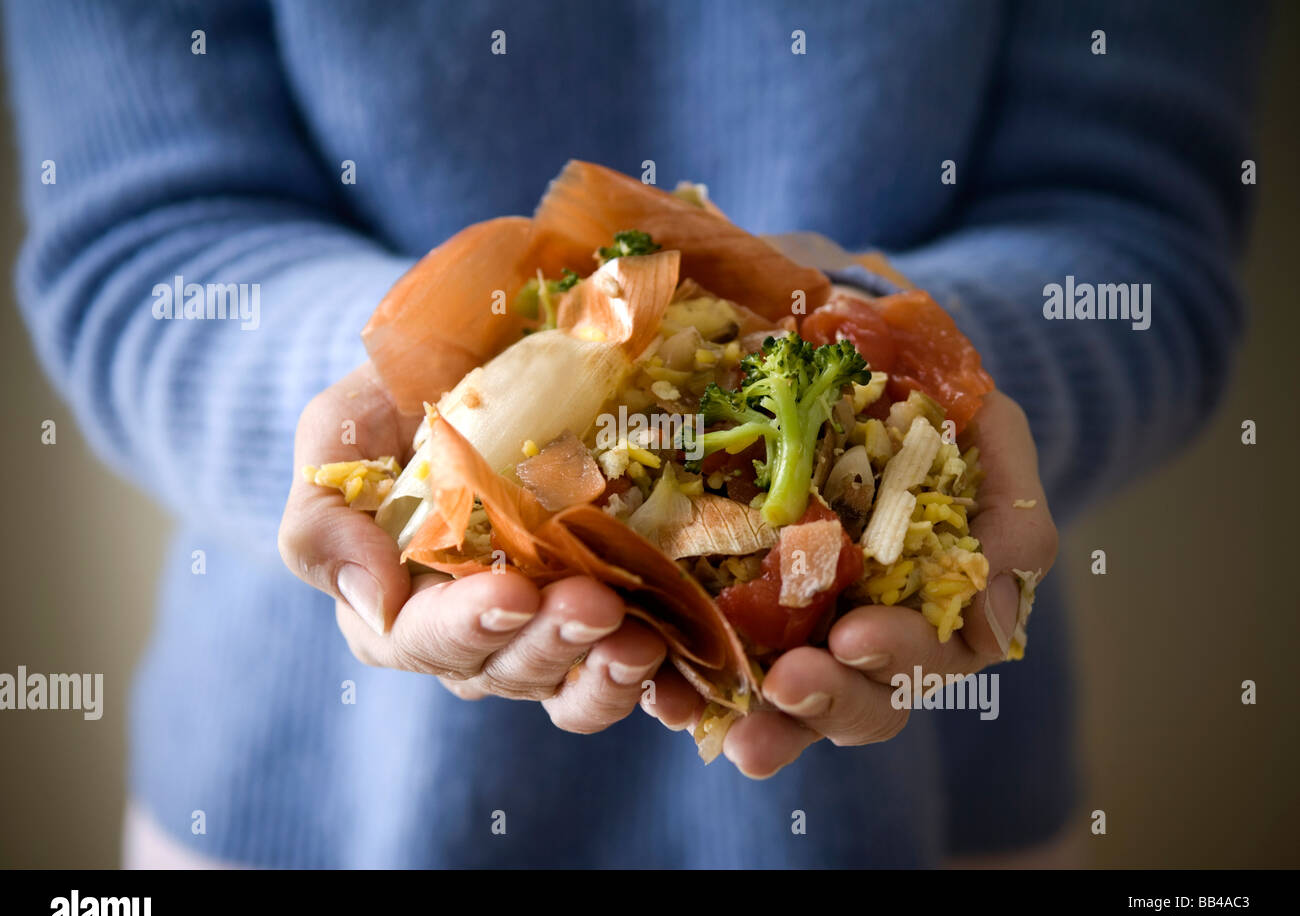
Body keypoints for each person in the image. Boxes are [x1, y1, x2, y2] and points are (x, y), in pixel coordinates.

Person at [3, 1, 1263, 868]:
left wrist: (942, 373)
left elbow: (1137, 233)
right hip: (301, 817)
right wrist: (417, 404)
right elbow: (138, 244)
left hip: (929, 818)